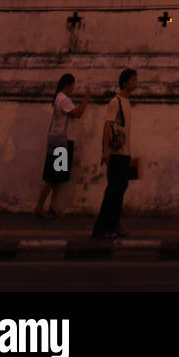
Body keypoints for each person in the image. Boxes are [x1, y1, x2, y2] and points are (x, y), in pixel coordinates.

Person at [34, 73, 89, 218]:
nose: (73, 89)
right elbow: (77, 113)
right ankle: (39, 206)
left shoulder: (58, 97)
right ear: (68, 84)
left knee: (58, 177)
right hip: (61, 143)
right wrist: (85, 100)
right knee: (53, 178)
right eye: (72, 86)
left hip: (60, 141)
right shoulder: (63, 99)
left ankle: (53, 205)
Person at [91, 68, 138, 240]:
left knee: (120, 191)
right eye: (133, 80)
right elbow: (107, 125)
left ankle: (114, 224)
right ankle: (101, 228)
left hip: (124, 154)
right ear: (125, 82)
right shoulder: (115, 102)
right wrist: (105, 151)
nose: (136, 83)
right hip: (116, 154)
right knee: (112, 192)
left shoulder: (127, 102)